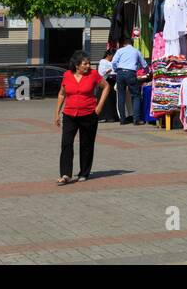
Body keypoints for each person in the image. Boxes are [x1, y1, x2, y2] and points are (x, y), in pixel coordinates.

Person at [54, 50, 108, 185]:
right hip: (69, 114)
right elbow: (62, 94)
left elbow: (106, 87)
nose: (88, 66)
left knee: (86, 144)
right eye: (85, 64)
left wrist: (99, 106)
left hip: (89, 114)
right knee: (66, 143)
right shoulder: (67, 75)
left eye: (89, 63)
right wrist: (57, 113)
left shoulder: (93, 75)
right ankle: (66, 174)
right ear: (77, 65)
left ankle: (84, 172)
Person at [110, 38, 147, 124]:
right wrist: (147, 71)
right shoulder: (136, 51)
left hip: (120, 73)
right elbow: (144, 64)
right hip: (131, 73)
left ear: (124, 44)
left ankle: (122, 119)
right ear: (132, 44)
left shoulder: (120, 51)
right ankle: (136, 119)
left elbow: (114, 62)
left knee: (121, 96)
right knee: (136, 96)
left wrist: (117, 70)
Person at [96, 49, 116, 123]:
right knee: (105, 100)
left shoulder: (111, 62)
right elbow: (101, 73)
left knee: (111, 100)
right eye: (112, 56)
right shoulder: (103, 61)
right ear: (108, 55)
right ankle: (102, 117)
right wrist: (110, 70)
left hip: (112, 81)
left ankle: (111, 116)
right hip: (105, 82)